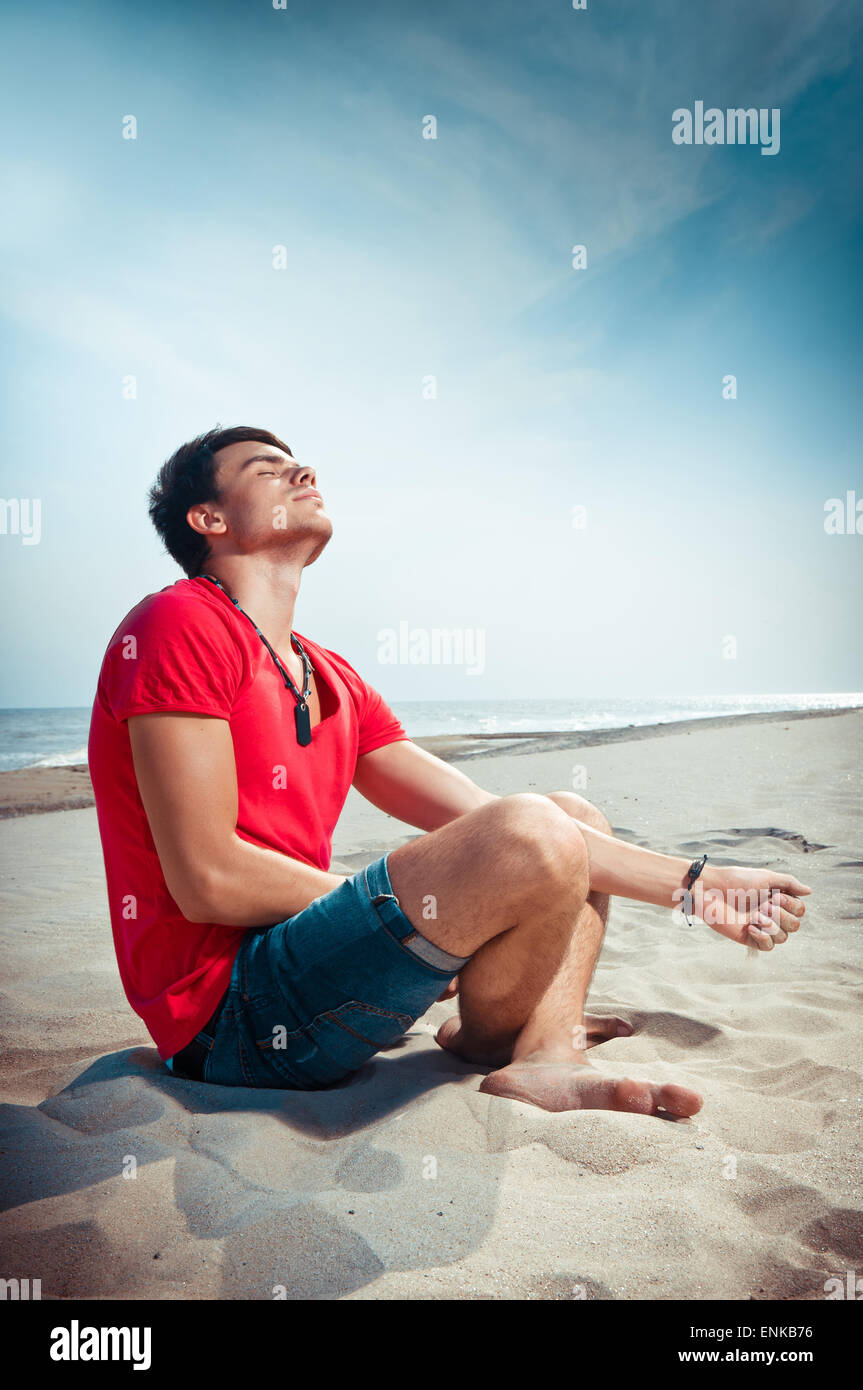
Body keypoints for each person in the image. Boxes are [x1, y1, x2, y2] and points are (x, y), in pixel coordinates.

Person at [88, 426, 811, 1116]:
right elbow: (207, 878)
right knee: (533, 828)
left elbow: (490, 819)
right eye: (267, 468)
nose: (303, 473)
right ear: (207, 517)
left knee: (567, 816)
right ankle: (514, 1028)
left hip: (321, 984)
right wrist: (404, 916)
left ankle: (538, 1052)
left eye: (298, 462)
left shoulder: (327, 674)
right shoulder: (178, 624)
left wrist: (696, 888)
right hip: (232, 1020)